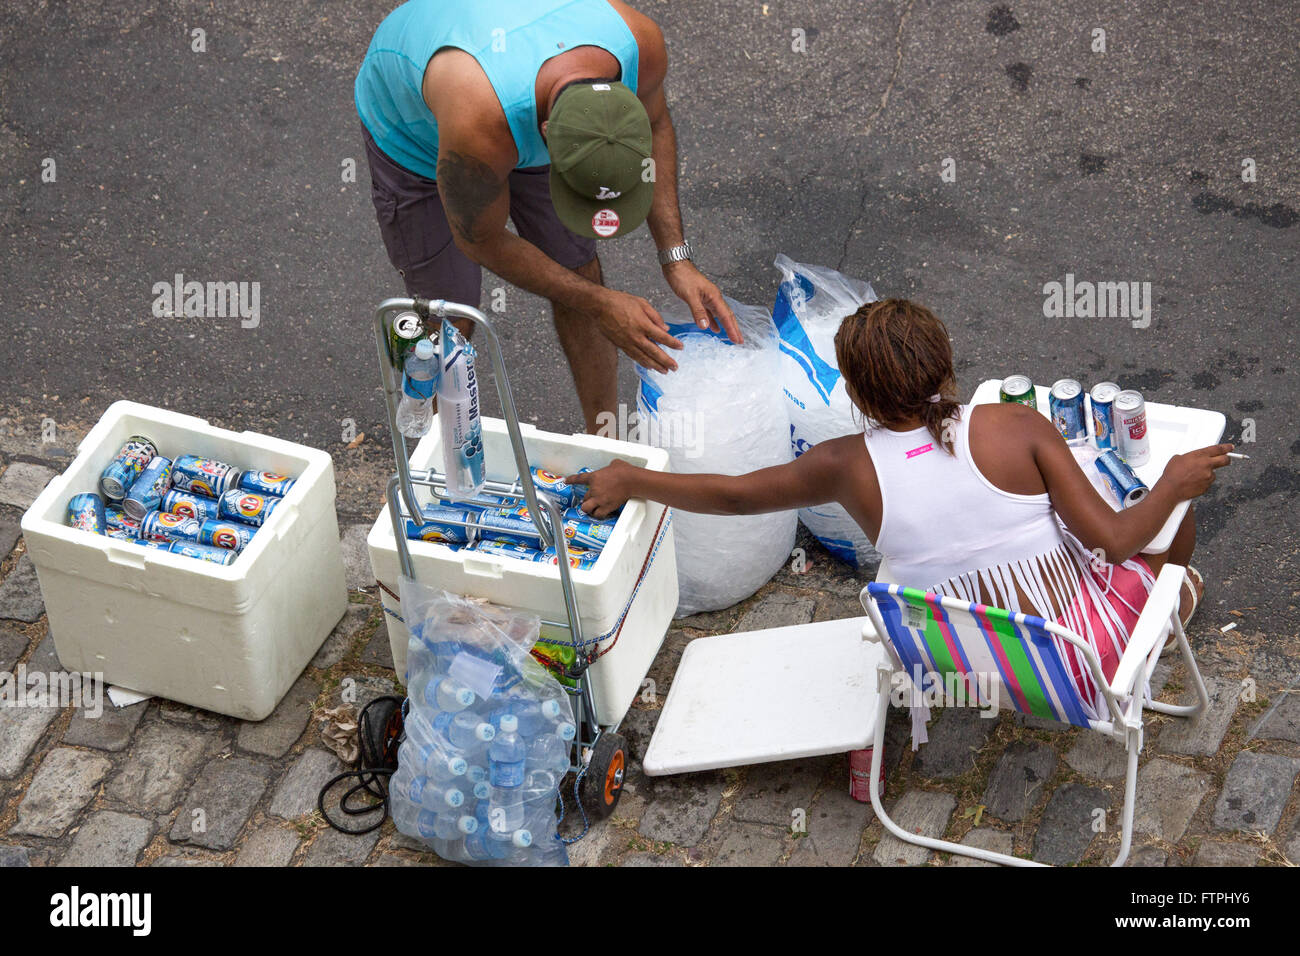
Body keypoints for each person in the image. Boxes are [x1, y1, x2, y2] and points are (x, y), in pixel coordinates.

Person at [571, 298, 1233, 717]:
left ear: (856, 395)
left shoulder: (842, 466)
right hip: (1075, 662)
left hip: (950, 663)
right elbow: (1115, 541)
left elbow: (737, 496)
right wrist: (1174, 482)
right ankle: (1174, 603)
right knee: (1162, 522)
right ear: (947, 366)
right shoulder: (1016, 427)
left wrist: (632, 477)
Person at [355, 0, 740, 433]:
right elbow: (479, 239)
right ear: (546, 136)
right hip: (418, 137)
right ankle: (441, 453)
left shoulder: (639, 44)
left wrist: (676, 258)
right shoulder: (479, 121)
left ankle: (605, 442)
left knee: (579, 274)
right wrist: (601, 305)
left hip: (518, 97)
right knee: (450, 313)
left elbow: (656, 123)